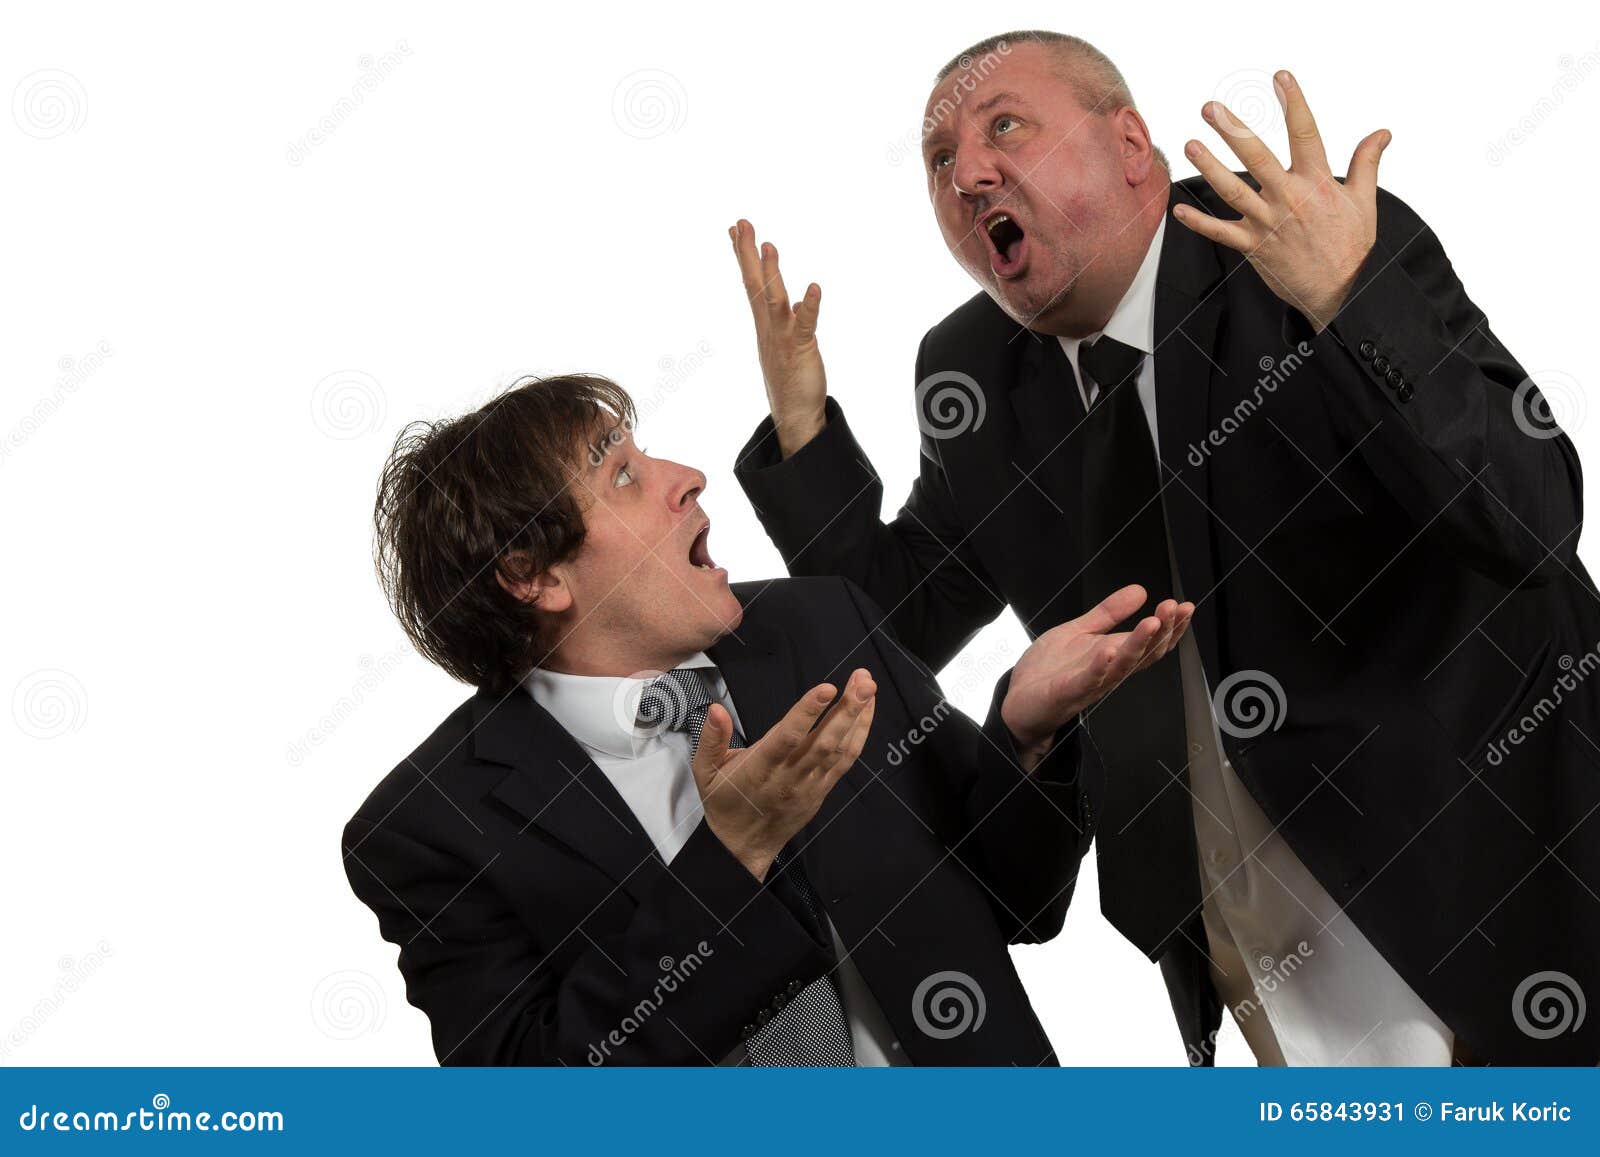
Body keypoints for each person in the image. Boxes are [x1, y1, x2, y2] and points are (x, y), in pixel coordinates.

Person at [730, 30, 1600, 1065]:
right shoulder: (972, 370)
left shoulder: (1296, 244)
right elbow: (897, 616)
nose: (966, 172)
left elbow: (1530, 514)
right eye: (937, 158)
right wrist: (801, 429)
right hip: (1248, 942)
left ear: (1131, 143)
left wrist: (1349, 299)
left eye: (1004, 124)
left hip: (1484, 869)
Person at [341, 372, 1193, 1065]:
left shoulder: (824, 626)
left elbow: (1018, 902)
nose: (688, 477)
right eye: (623, 476)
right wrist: (733, 852)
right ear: (536, 577)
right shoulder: (428, 828)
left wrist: (1026, 731)